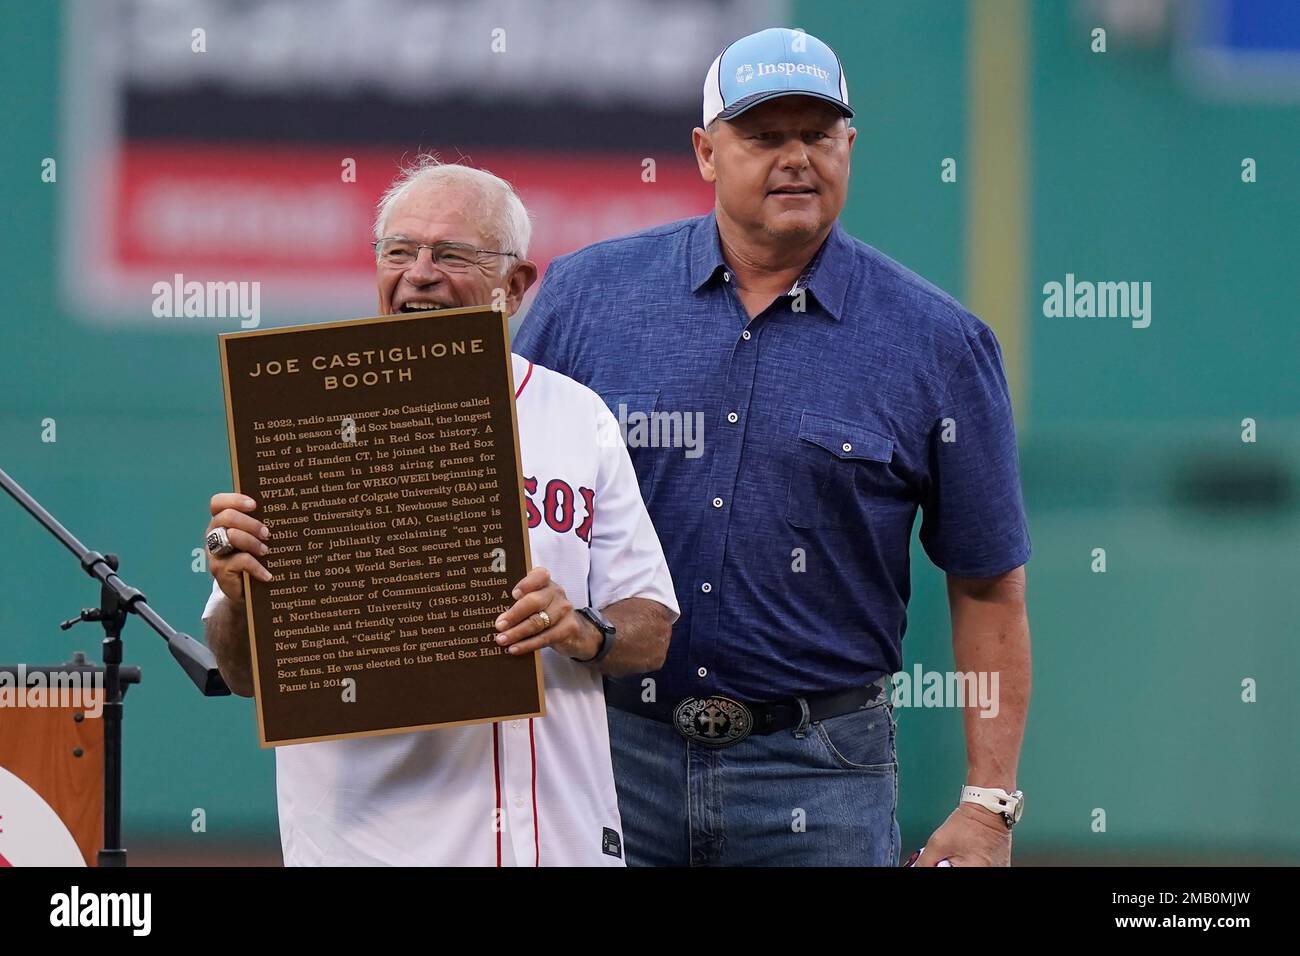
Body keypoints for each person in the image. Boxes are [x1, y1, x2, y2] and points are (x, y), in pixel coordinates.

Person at [515, 27, 1032, 866]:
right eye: (764, 135)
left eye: (816, 135)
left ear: (849, 146)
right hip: (608, 754)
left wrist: (987, 804)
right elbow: (493, 491)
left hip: (820, 771)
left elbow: (987, 584)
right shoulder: (586, 299)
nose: (795, 157)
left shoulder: (939, 341)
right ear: (705, 152)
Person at [201, 158, 678, 866]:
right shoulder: (306, 411)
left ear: (514, 286)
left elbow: (652, 626)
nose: (419, 272)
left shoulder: (578, 416)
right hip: (374, 845)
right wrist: (240, 597)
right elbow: (240, 675)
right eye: (399, 251)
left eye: (451, 253)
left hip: (560, 837)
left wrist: (579, 629)